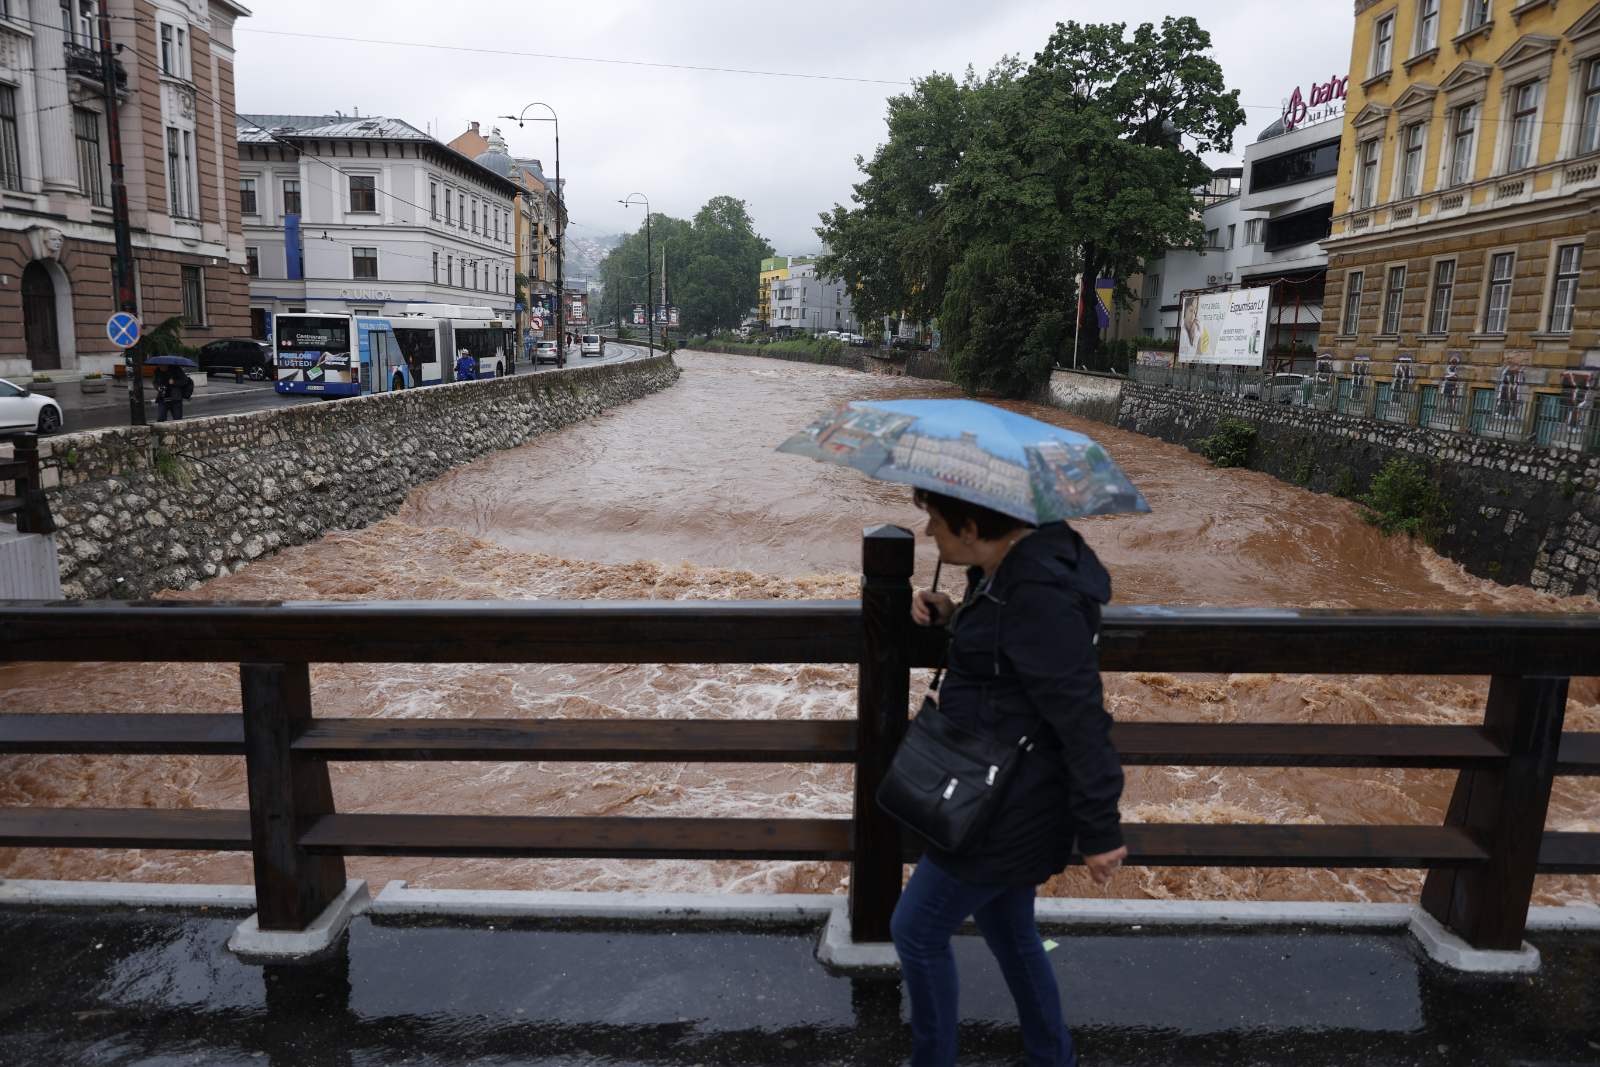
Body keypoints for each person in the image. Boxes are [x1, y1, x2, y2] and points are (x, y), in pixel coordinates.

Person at [894, 488, 1126, 1067]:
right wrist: (953, 614)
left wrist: (1100, 829)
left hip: (1006, 805)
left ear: (972, 526)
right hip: (1003, 787)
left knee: (916, 931)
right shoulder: (1012, 567)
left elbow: (1081, 714)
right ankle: (1052, 1057)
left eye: (936, 521)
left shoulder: (1036, 595)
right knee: (1011, 931)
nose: (930, 535)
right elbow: (1008, 662)